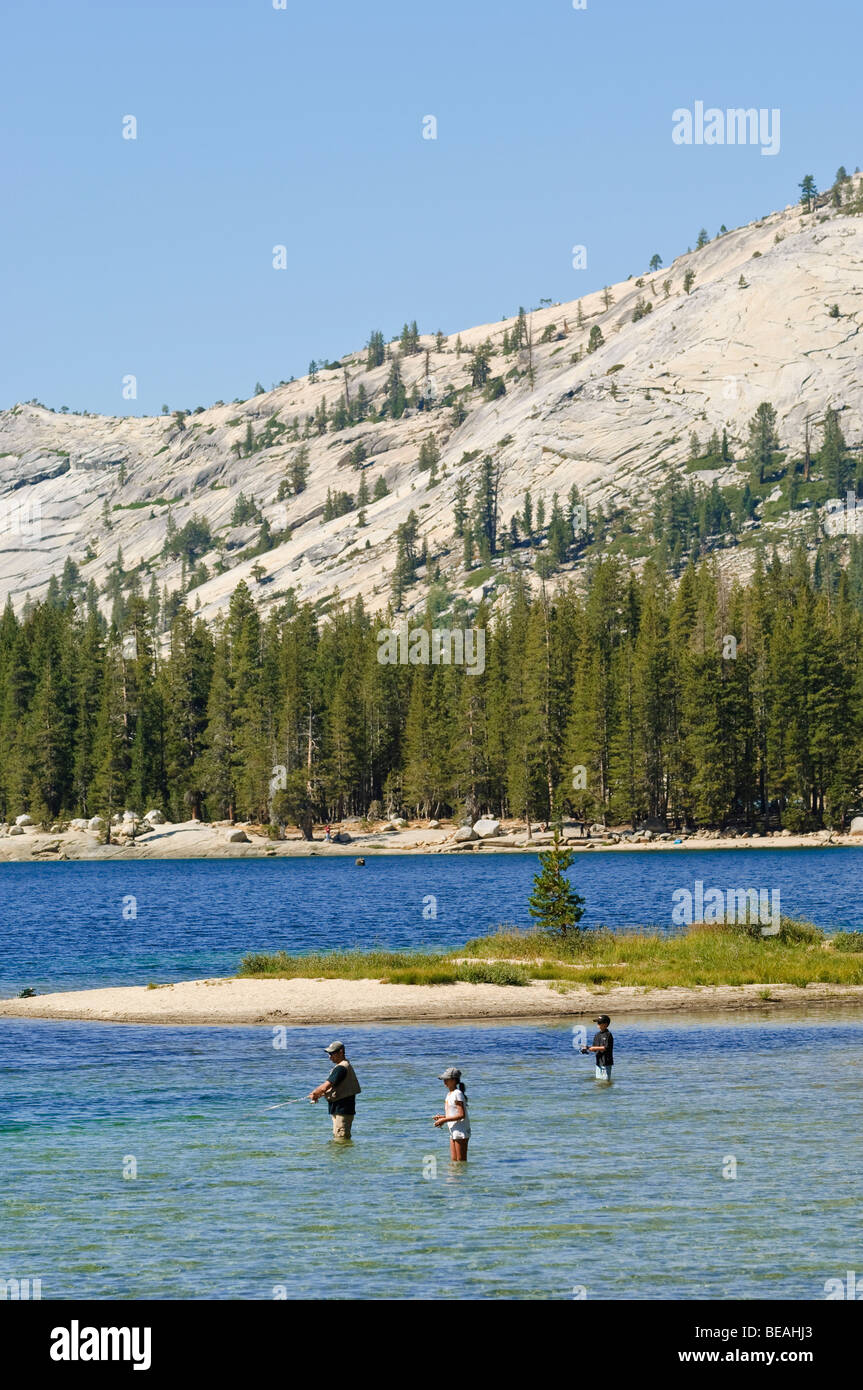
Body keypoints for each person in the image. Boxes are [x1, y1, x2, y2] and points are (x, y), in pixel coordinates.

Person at [309, 1041, 361, 1140]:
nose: (329, 1056)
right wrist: (318, 1094)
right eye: (329, 1054)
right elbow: (334, 1087)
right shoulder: (343, 1066)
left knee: (341, 1139)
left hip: (343, 1110)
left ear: (341, 1052)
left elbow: (326, 1086)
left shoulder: (341, 1068)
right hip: (339, 1109)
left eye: (332, 1053)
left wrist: (315, 1093)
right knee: (338, 1138)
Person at [433, 1066, 470, 1161]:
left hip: (460, 1131)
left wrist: (444, 1120)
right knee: (454, 1162)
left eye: (446, 1079)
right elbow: (454, 1113)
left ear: (454, 1080)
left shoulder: (457, 1093)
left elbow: (462, 1115)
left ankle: (462, 1176)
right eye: (443, 1079)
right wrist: (442, 1117)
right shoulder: (449, 1094)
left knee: (461, 1161)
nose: (444, 1081)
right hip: (453, 1130)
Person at [582, 1014, 614, 1082]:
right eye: (597, 1022)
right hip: (598, 1063)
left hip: (606, 1063)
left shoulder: (608, 1034)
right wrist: (587, 1048)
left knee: (605, 1082)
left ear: (605, 1024)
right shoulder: (597, 1035)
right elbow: (594, 1048)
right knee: (599, 1082)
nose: (597, 1024)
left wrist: (593, 1048)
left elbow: (605, 1047)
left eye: (599, 1022)